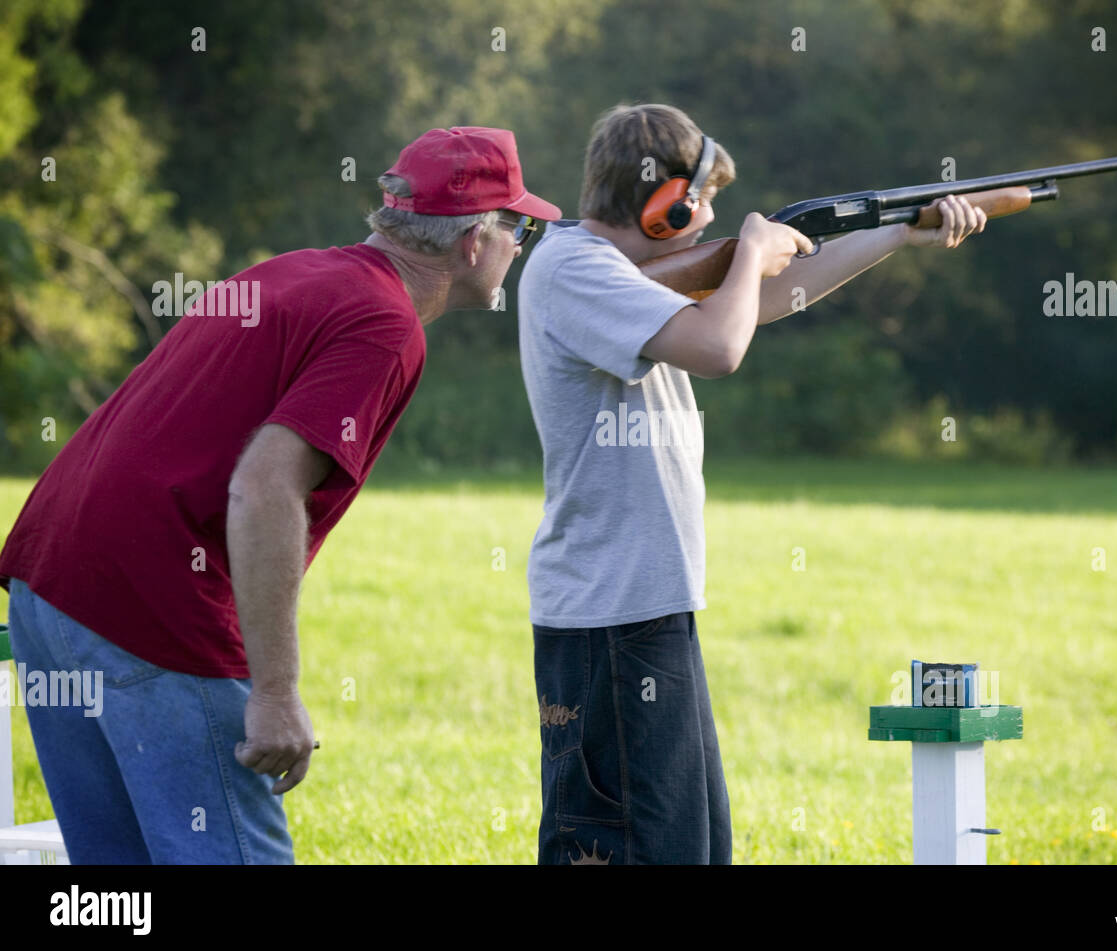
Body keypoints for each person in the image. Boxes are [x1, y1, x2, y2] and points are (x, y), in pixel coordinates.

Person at [0, 126, 560, 864]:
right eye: (518, 225)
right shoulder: (385, 325)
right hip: (149, 603)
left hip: (49, 585)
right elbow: (264, 487)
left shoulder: (294, 271)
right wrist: (275, 690)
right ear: (474, 240)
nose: (522, 244)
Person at [518, 103, 986, 865]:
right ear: (664, 202)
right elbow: (719, 345)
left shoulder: (610, 271)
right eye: (701, 205)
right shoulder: (574, 269)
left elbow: (764, 300)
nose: (711, 222)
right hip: (609, 612)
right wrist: (751, 252)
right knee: (621, 843)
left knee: (687, 843)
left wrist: (900, 233)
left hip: (645, 603)